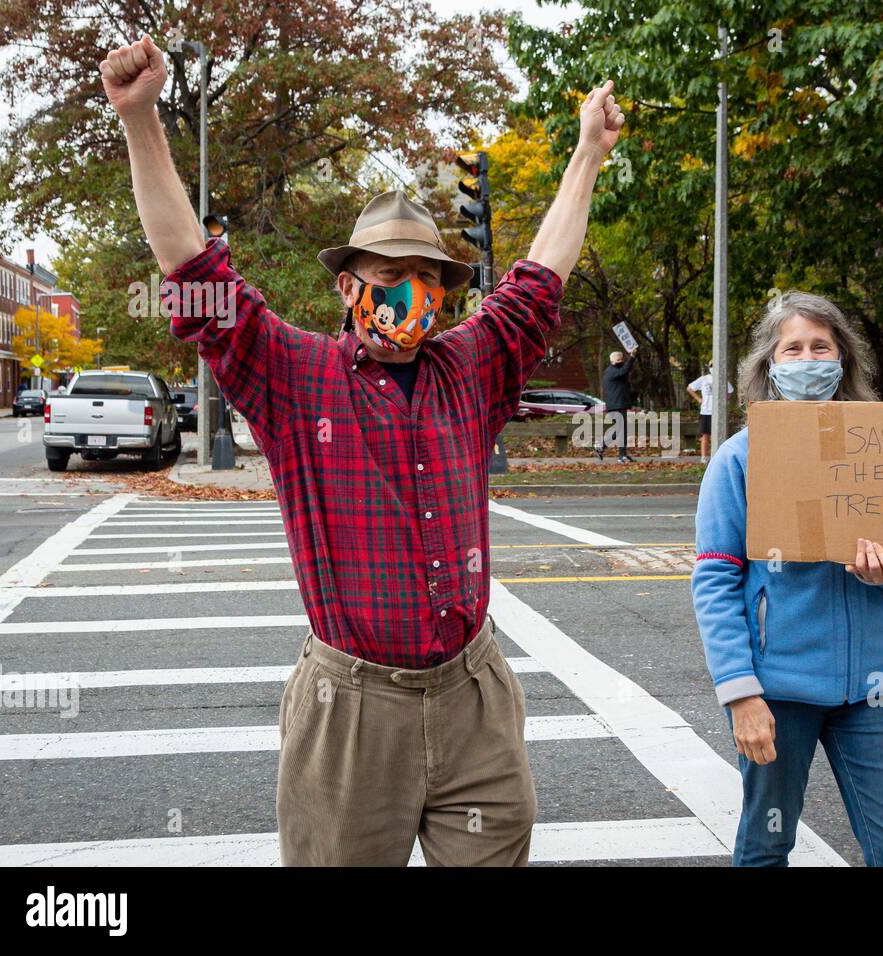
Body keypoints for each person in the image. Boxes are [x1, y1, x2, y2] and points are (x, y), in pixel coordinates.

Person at [99, 35, 624, 866]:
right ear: (348, 286)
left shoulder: (472, 366)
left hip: (475, 699)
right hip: (351, 712)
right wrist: (140, 121)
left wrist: (588, 154)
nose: (407, 294)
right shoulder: (294, 375)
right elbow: (193, 271)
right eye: (387, 275)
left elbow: (540, 278)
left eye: (426, 277)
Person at [690, 291, 883, 867]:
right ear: (769, 366)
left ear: (842, 358)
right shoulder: (739, 458)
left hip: (875, 686)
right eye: (791, 349)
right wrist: (741, 692)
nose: (807, 360)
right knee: (767, 845)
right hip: (778, 690)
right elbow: (715, 580)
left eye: (820, 346)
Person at [598, 345, 638, 462]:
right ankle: (621, 455)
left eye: (621, 359)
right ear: (612, 361)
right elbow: (625, 370)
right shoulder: (611, 371)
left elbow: (624, 371)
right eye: (618, 359)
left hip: (618, 405)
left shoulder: (617, 372)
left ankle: (602, 447)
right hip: (616, 405)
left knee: (621, 429)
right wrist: (632, 356)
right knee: (622, 429)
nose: (620, 361)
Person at [686, 364, 733, 462]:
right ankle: (704, 457)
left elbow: (730, 391)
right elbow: (690, 388)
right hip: (706, 411)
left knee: (720, 435)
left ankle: (719, 457)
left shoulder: (722, 378)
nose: (713, 368)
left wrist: (723, 401)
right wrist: (698, 399)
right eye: (711, 366)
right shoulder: (704, 379)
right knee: (705, 434)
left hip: (719, 412)